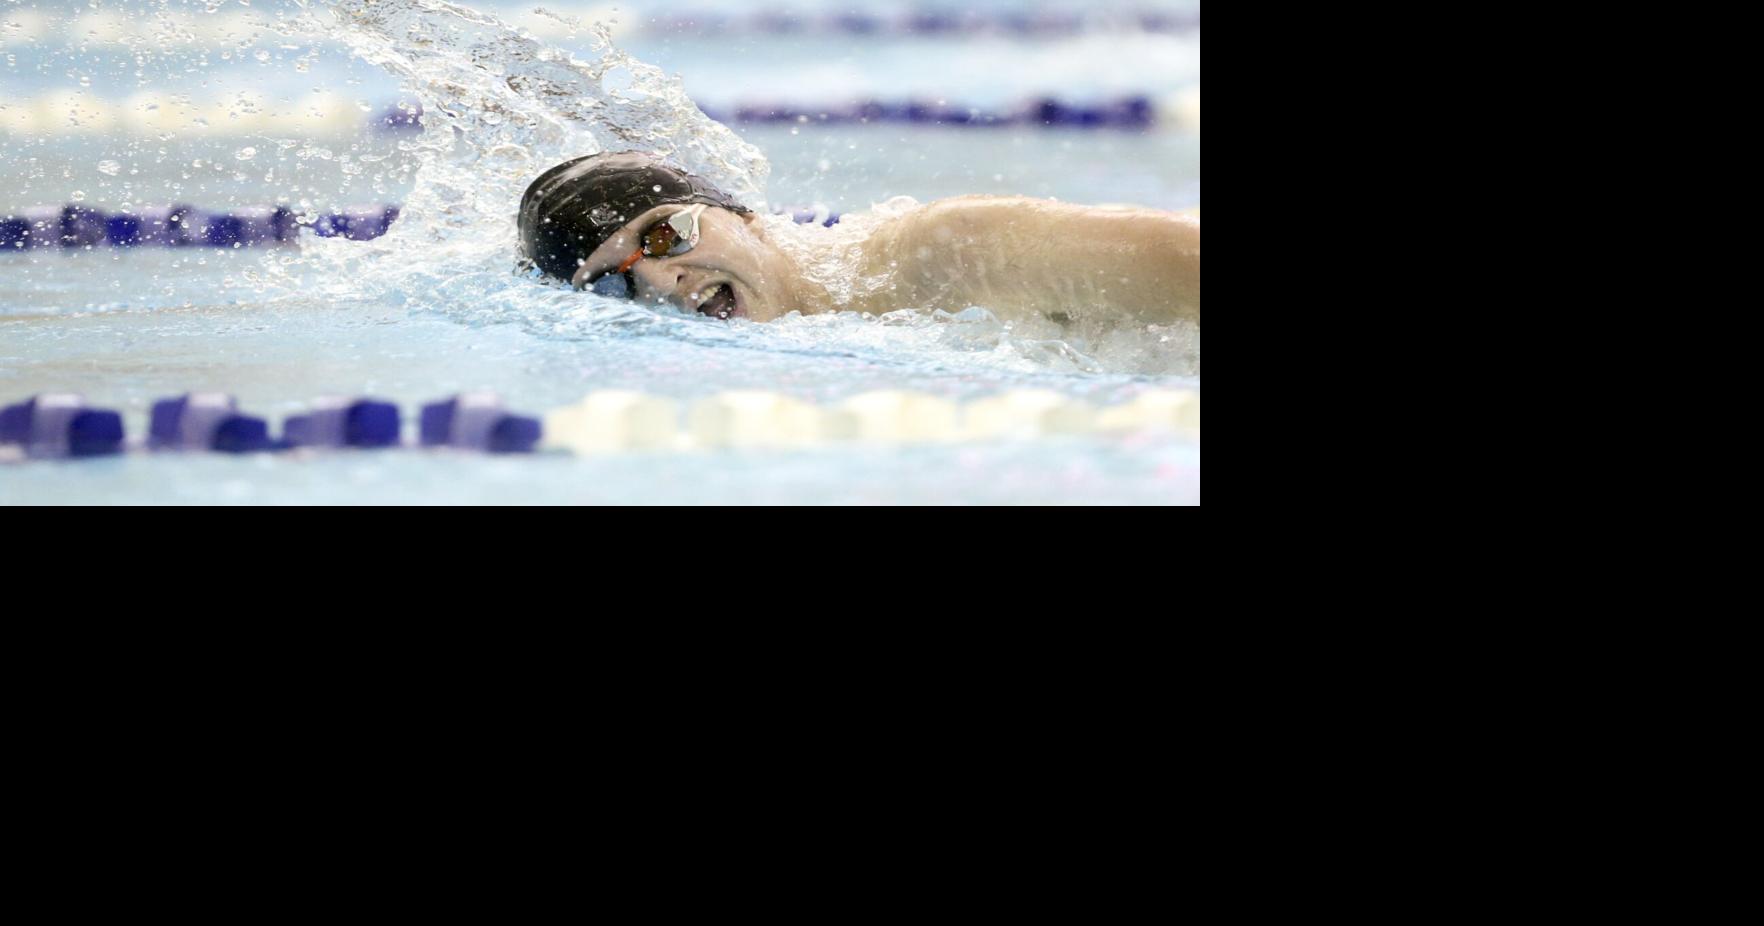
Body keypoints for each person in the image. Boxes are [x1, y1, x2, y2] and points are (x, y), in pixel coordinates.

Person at [518, 152, 1199, 326]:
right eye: (612, 283)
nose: (657, 281)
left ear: (742, 215)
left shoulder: (950, 251)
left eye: (665, 235)